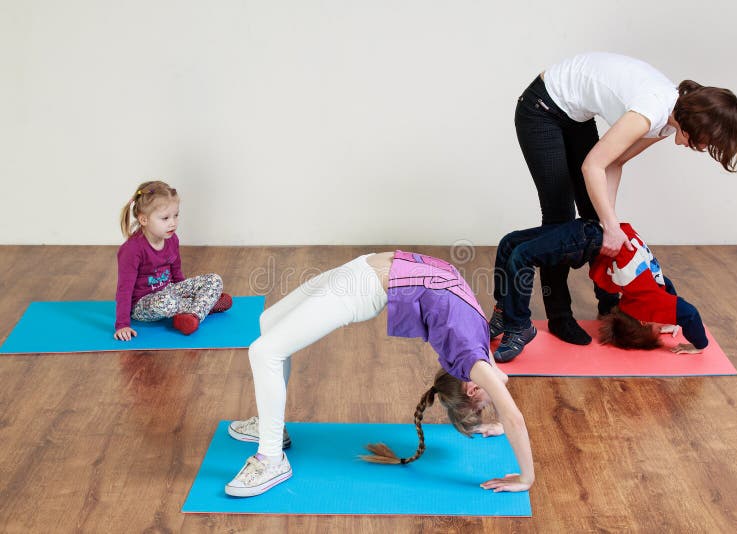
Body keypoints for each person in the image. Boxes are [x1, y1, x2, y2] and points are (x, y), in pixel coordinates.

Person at [224, 251, 535, 497]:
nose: (493, 395)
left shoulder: (475, 346)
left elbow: (501, 390)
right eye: (487, 402)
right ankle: (272, 430)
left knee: (264, 350)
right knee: (269, 324)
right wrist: (526, 476)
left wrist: (495, 422)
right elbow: (512, 412)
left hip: (366, 280)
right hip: (361, 273)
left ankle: (271, 459)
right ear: (471, 390)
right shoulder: (476, 360)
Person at [514, 52, 737, 346]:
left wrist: (606, 220)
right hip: (541, 107)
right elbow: (592, 166)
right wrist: (609, 224)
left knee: (597, 218)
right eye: (703, 142)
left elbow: (614, 162)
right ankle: (559, 317)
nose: (699, 147)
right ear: (694, 124)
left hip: (574, 115)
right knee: (560, 216)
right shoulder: (651, 111)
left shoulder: (671, 119)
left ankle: (609, 305)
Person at [491, 219, 708, 362]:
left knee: (510, 244)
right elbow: (688, 313)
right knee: (520, 255)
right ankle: (519, 325)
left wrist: (671, 318)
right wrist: (698, 343)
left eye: (657, 328)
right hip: (589, 239)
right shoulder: (649, 300)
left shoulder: (647, 294)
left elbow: (670, 293)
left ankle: (503, 312)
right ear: (644, 319)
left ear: (643, 320)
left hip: (589, 234)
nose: (661, 327)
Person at [114, 180, 232, 340]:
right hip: (143, 304)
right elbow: (124, 289)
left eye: (176, 215)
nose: (173, 223)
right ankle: (206, 305)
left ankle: (192, 316)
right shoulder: (132, 250)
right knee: (165, 301)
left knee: (214, 280)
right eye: (165, 218)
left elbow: (176, 273)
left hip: (169, 291)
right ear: (144, 220)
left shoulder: (172, 239)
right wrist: (122, 324)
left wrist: (186, 292)